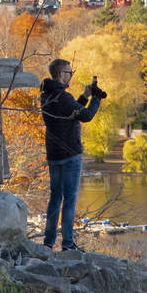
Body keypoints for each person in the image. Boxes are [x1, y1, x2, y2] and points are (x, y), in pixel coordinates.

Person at [40, 58, 104, 251]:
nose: (70, 75)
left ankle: (48, 242)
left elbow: (70, 113)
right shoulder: (62, 96)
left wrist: (84, 96)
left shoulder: (47, 95)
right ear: (60, 74)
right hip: (70, 154)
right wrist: (96, 98)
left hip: (54, 154)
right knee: (69, 199)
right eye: (69, 72)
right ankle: (68, 244)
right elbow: (85, 116)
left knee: (55, 198)